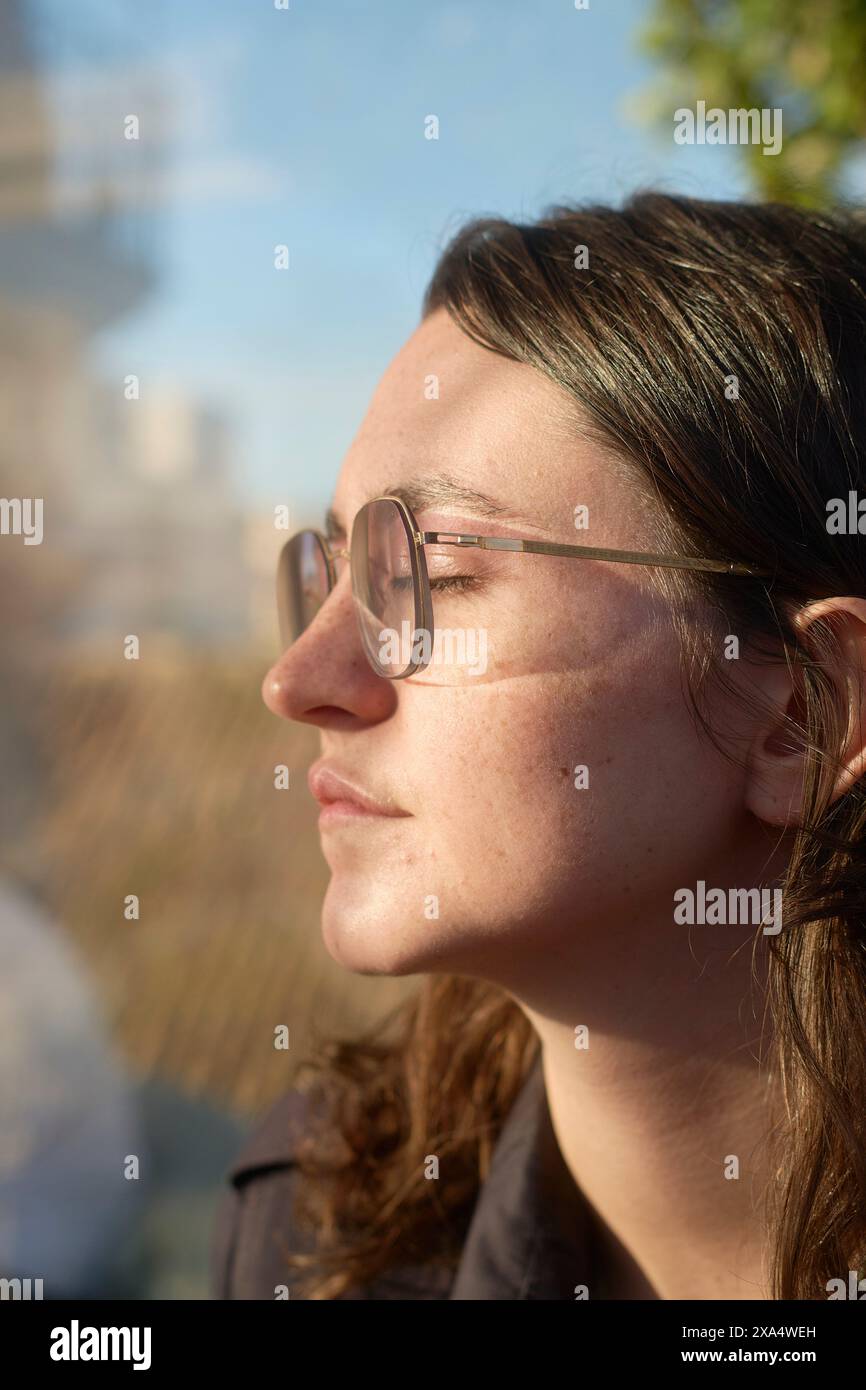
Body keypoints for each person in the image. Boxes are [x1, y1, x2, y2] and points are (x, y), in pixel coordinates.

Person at [212, 191, 866, 1300]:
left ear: (799, 712)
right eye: (332, 572)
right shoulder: (321, 1230)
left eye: (437, 574)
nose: (300, 682)